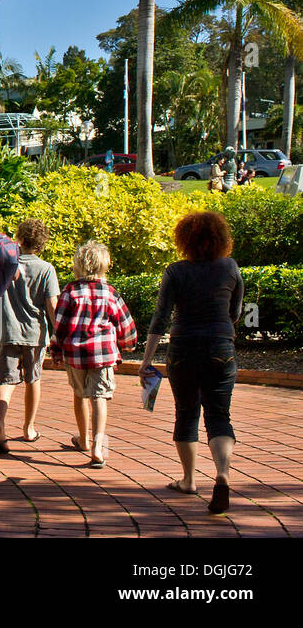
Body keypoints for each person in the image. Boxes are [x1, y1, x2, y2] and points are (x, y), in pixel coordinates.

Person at [139, 211, 244, 515]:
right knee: (219, 415)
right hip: (220, 348)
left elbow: (160, 319)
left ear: (184, 240)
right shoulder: (230, 267)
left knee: (186, 413)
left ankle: (188, 480)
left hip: (183, 349)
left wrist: (147, 361)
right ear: (221, 238)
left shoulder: (175, 272)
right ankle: (222, 474)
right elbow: (235, 312)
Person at [49, 241, 137, 468]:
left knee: (79, 394)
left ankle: (83, 439)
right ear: (104, 266)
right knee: (100, 397)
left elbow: (60, 325)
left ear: (77, 265)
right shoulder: (110, 293)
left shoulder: (70, 291)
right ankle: (98, 443)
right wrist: (128, 343)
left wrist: (56, 350)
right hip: (102, 354)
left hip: (76, 354)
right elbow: (124, 322)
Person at [0, 219, 59, 454]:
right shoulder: (46, 269)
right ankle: (29, 427)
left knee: (5, 381)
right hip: (34, 334)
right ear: (43, 243)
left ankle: (0, 423)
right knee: (33, 379)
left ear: (18, 238)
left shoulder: (6, 264)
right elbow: (51, 305)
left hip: (6, 331)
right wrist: (58, 332)